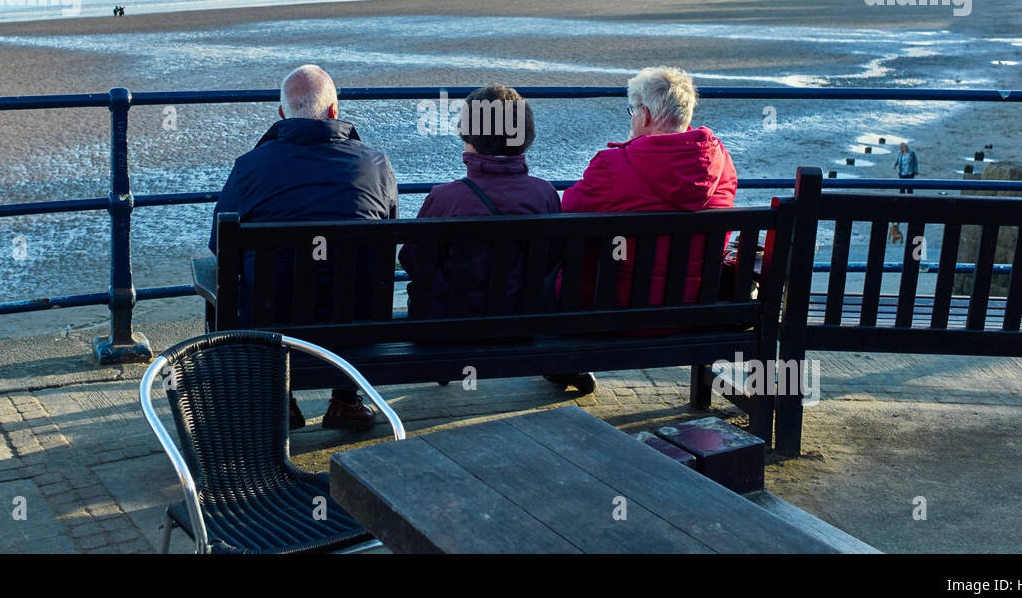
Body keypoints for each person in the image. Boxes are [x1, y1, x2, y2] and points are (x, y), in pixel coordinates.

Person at [209, 64, 398, 432]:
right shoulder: (376, 165)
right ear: (333, 111)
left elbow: (221, 249)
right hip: (358, 327)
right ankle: (345, 401)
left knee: (254, 284)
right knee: (355, 278)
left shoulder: (249, 168)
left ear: (281, 113)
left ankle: (281, 401)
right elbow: (387, 241)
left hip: (272, 328)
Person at [555, 66, 738, 391]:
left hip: (619, 314)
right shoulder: (721, 164)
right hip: (695, 311)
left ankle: (566, 364)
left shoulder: (613, 166)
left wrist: (629, 149)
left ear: (647, 114)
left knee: (551, 276)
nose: (630, 117)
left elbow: (565, 215)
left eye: (632, 109)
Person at [399, 84, 560, 318]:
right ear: (526, 135)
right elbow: (550, 260)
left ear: (468, 134)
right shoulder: (545, 194)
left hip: (444, 328)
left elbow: (414, 262)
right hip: (521, 323)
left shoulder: (445, 199)